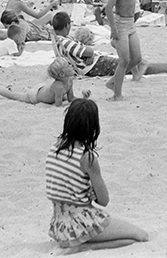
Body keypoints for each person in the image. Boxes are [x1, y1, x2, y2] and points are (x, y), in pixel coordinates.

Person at [44, 98, 149, 249]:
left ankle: (84, 245)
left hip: (60, 225)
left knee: (130, 237)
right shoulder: (87, 157)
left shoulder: (55, 148)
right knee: (140, 236)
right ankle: (86, 247)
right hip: (81, 223)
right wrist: (92, 193)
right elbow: (104, 200)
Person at [106, 0, 142, 101]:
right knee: (124, 60)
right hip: (121, 24)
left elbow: (132, 5)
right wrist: (113, 29)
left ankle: (113, 81)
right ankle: (117, 94)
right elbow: (109, 8)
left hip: (130, 24)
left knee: (137, 58)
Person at [0, 57, 84, 106]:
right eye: (68, 66)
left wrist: (82, 99)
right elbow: (58, 105)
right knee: (15, 96)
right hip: (35, 96)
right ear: (62, 74)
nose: (71, 66)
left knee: (62, 97)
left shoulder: (69, 80)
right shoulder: (58, 87)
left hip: (44, 89)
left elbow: (71, 98)